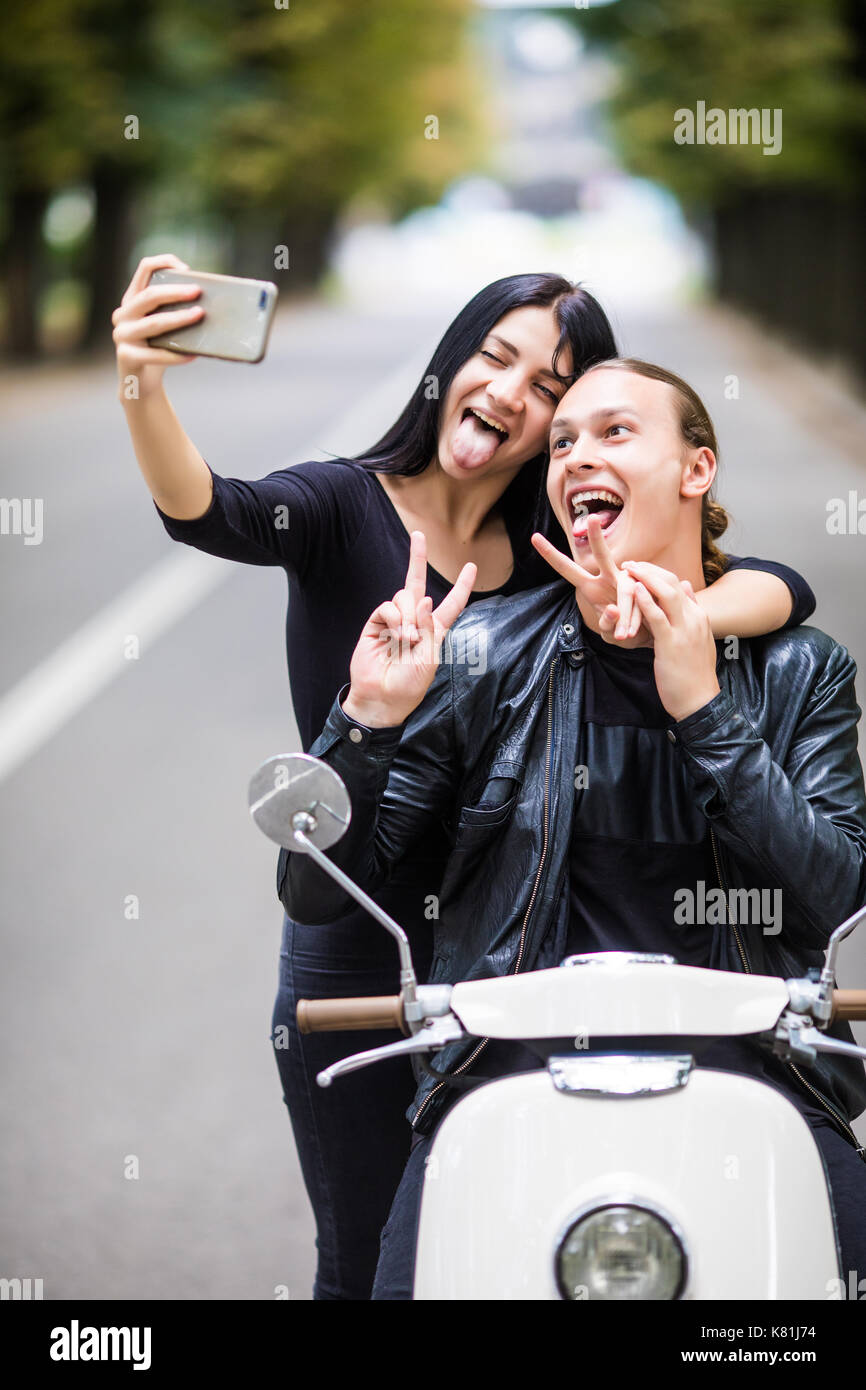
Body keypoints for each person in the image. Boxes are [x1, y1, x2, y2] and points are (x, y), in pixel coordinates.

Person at [113, 259, 818, 1299]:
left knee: (515, 1242)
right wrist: (143, 383)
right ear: (451, 363)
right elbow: (202, 507)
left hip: (505, 941)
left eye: (548, 387)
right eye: (494, 357)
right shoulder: (340, 503)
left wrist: (692, 617)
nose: (508, 392)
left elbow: (779, 587)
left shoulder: (547, 554)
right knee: (368, 1264)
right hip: (356, 933)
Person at [281, 358, 866, 1300]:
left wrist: (705, 712)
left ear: (697, 471)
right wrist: (367, 720)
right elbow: (317, 890)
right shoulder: (477, 654)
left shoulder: (801, 670)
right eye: (562, 443)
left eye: (615, 433)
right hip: (501, 1078)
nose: (575, 456)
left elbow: (835, 895)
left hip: (762, 1081)